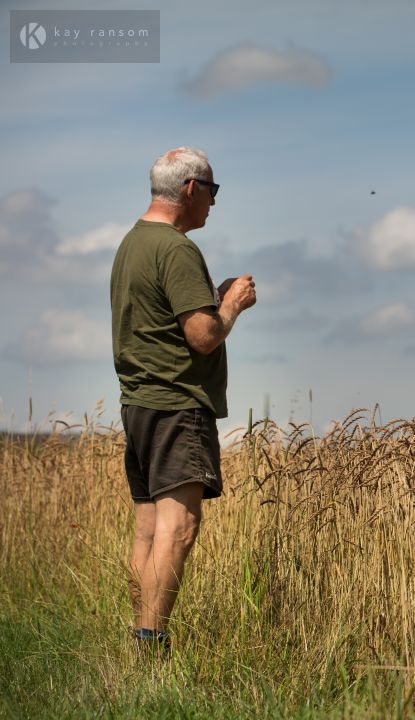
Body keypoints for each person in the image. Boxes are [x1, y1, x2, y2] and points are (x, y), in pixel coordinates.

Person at [110, 147, 256, 655]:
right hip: (177, 404)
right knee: (180, 528)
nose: (214, 203)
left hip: (140, 404)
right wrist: (231, 305)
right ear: (191, 189)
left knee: (148, 530)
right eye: (213, 191)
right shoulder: (176, 250)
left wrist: (211, 302)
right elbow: (202, 336)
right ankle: (151, 645)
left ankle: (139, 638)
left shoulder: (133, 243)